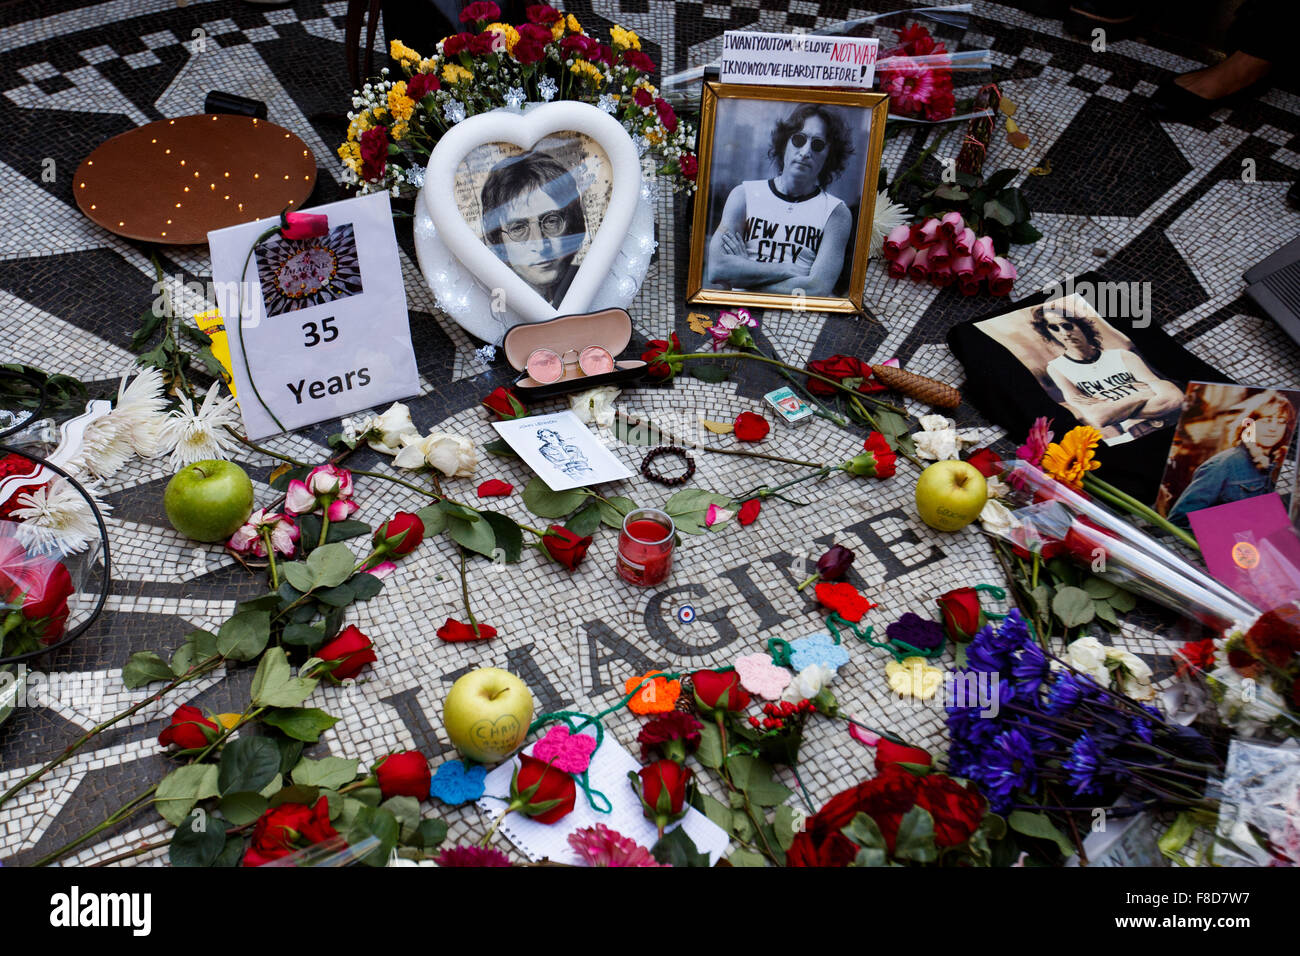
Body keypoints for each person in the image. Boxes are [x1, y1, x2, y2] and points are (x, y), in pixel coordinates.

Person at [706, 104, 855, 297]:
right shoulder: (743, 195)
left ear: (829, 156)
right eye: (799, 139)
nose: (805, 151)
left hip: (798, 319)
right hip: (740, 314)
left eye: (817, 144)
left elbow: (817, 289)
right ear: (785, 143)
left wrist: (745, 275)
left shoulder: (836, 213)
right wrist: (785, 269)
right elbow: (717, 269)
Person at [1032, 301, 1184, 444]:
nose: (1064, 333)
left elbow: (1174, 398)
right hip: (1140, 429)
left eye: (1067, 325)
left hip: (1175, 418)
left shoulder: (1123, 355)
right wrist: (1142, 394)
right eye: (1054, 328)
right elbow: (1098, 417)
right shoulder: (1057, 368)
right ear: (1049, 332)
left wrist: (1115, 411)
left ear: (1080, 326)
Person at [1168, 390, 1297, 526]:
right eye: (1267, 420)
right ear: (1249, 424)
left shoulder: (1280, 465)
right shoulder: (1223, 465)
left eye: (1281, 422)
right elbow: (1179, 522)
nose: (1273, 428)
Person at [480, 151, 586, 307]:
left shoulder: (591, 279)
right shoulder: (490, 299)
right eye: (518, 228)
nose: (540, 245)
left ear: (572, 224)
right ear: (498, 239)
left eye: (551, 221)